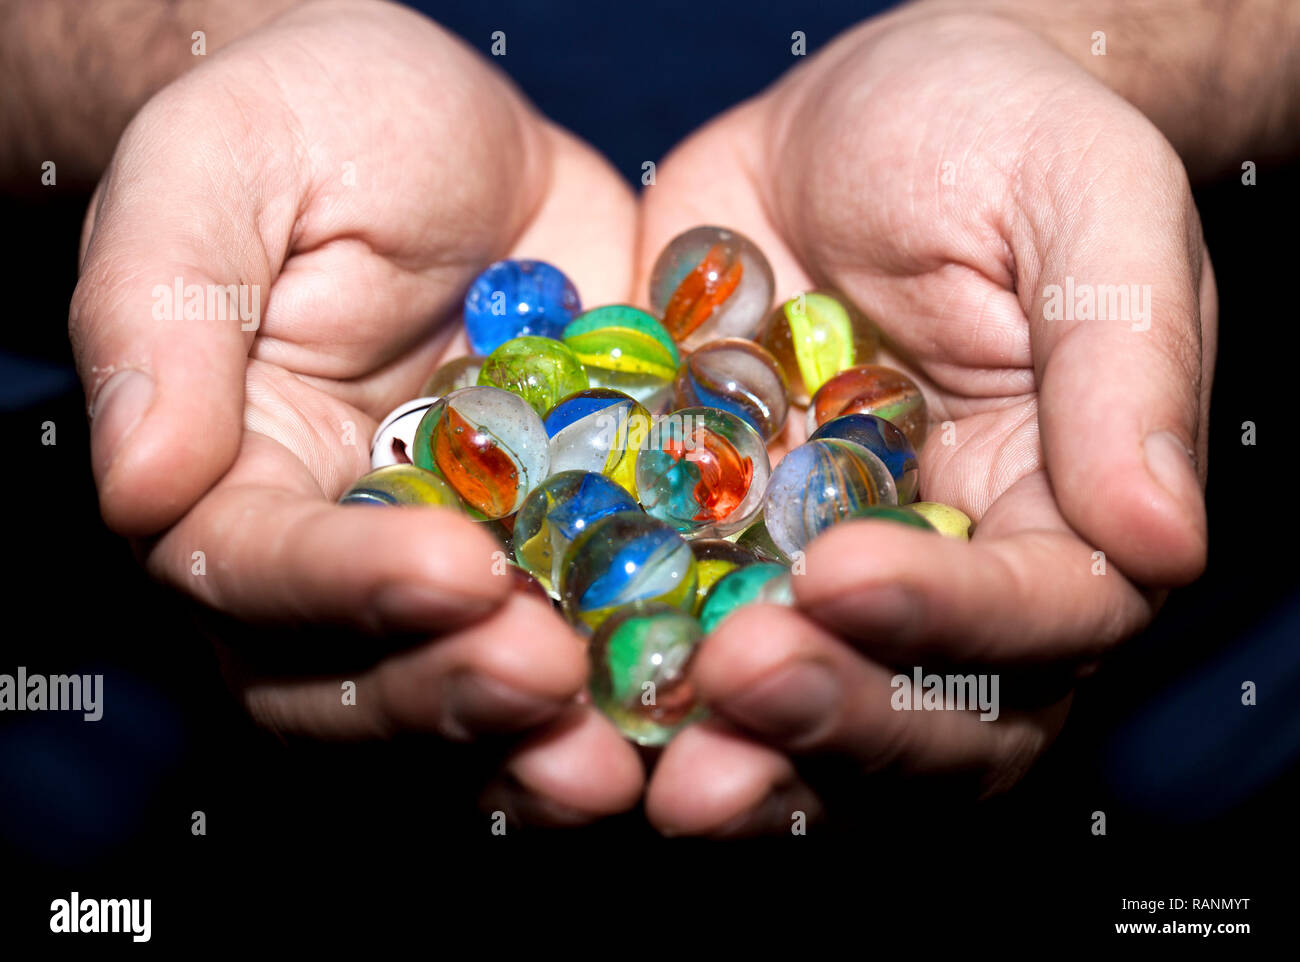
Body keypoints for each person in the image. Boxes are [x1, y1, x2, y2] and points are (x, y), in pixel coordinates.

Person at [7, 0, 1296, 835]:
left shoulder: (775, 429)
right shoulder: (545, 417)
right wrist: (213, 48)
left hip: (1203, 735)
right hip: (107, 744)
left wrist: (1075, 47)